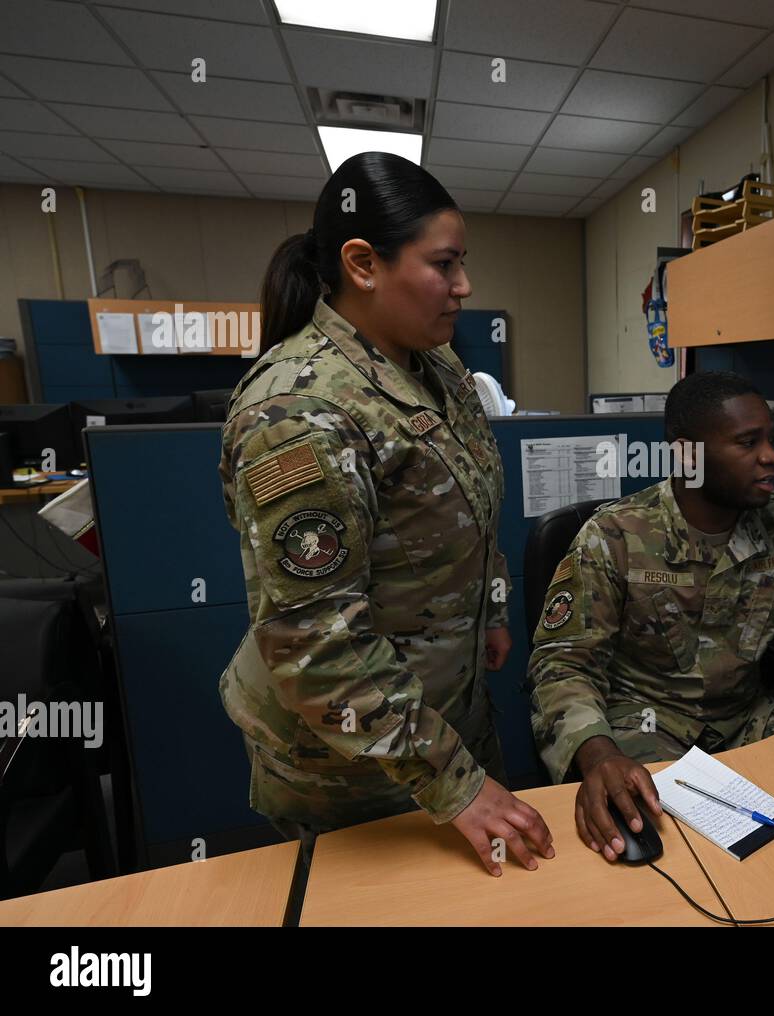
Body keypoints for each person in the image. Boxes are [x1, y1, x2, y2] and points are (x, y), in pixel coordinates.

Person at [219, 152, 552, 877]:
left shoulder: (436, 366)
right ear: (363, 263)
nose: (465, 287)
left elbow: (477, 507)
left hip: (444, 719)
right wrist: (459, 788)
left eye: (463, 263)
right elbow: (316, 648)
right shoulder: (299, 414)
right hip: (347, 766)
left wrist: (492, 610)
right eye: (444, 265)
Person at [528, 371, 774, 861]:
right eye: (747, 442)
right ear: (688, 454)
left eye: (772, 439)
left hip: (746, 719)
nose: (770, 456)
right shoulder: (614, 536)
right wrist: (598, 751)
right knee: (665, 852)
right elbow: (562, 664)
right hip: (645, 723)